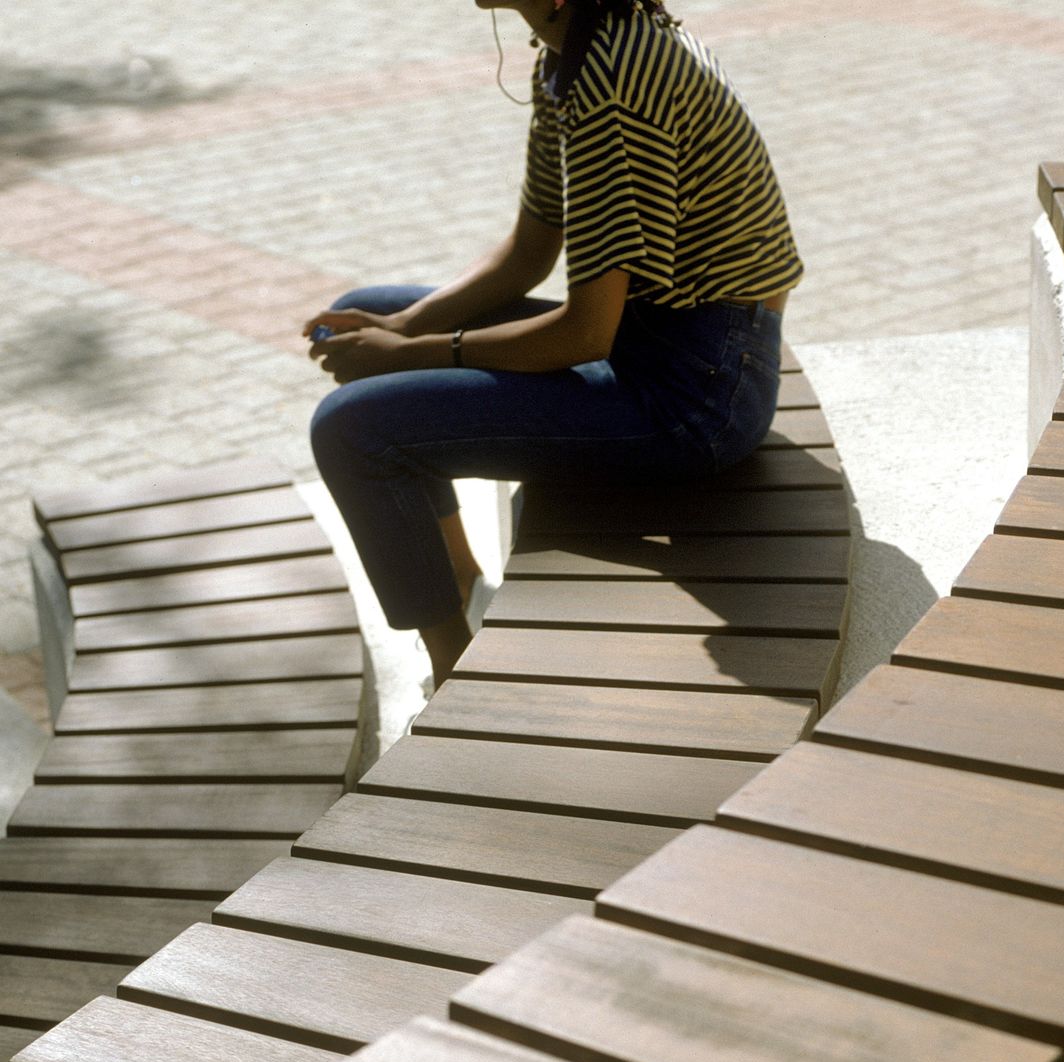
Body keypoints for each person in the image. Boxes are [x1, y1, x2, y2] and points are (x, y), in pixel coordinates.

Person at [302, 0, 803, 687]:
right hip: (655, 340)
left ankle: (451, 669)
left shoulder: (615, 78)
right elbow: (528, 252)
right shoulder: (571, 53)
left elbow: (583, 332)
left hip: (697, 397)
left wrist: (411, 352)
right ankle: (453, 568)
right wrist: (402, 328)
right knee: (370, 311)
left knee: (350, 430)